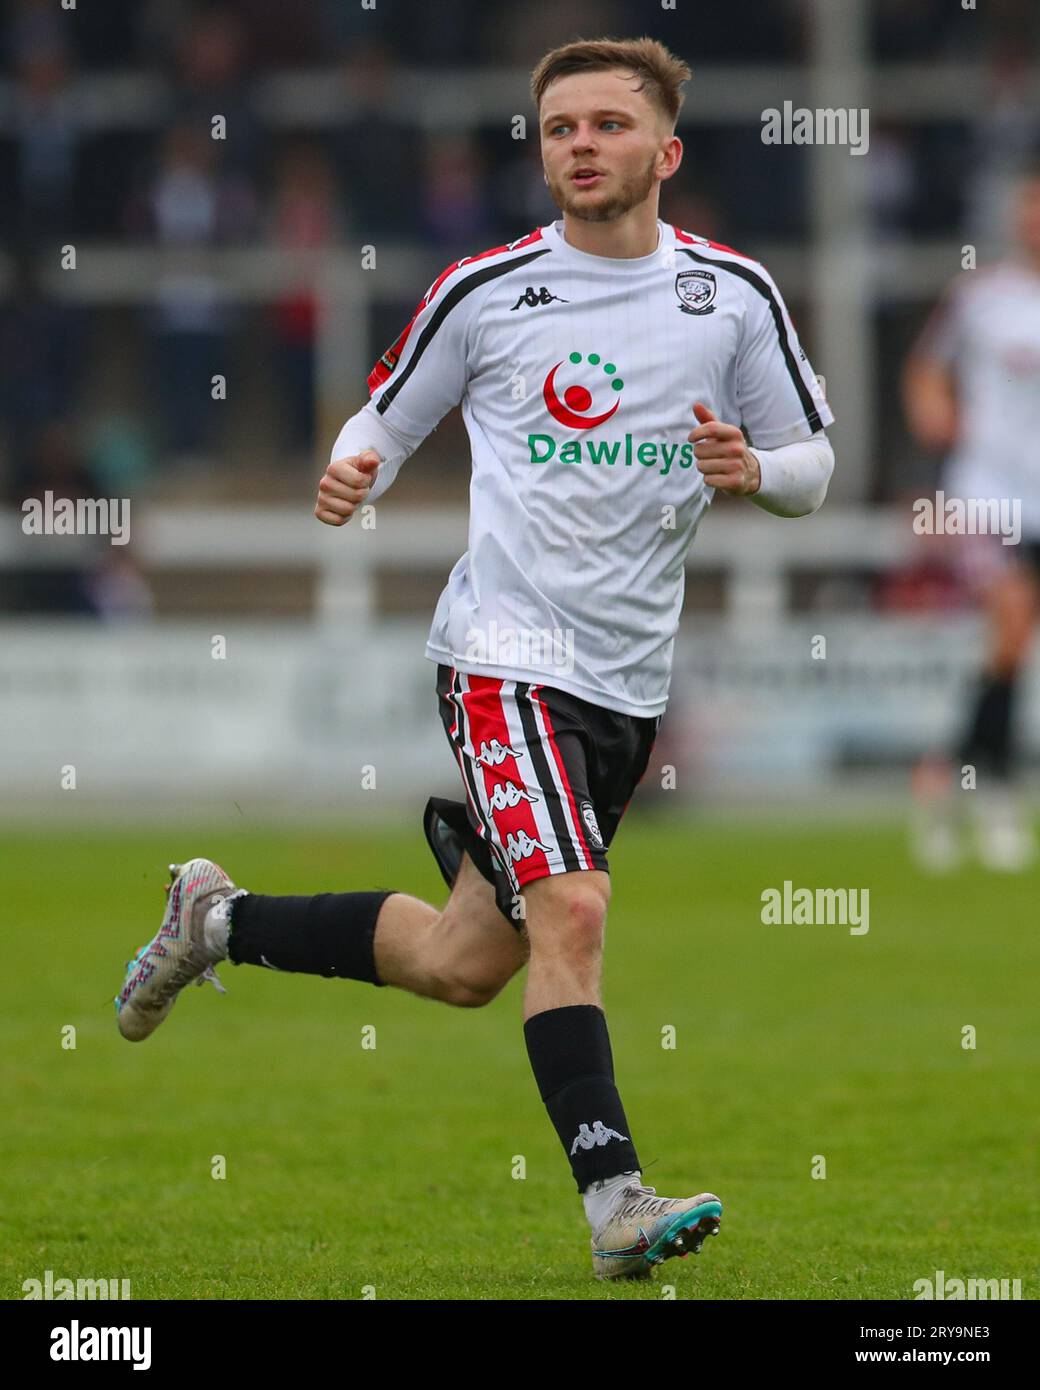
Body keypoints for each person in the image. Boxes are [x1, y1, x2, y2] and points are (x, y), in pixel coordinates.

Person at [114, 36, 835, 1282]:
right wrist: (355, 470)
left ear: (663, 152)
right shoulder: (489, 289)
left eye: (607, 126)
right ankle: (614, 1201)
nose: (578, 146)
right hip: (501, 652)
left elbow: (810, 465)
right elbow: (386, 411)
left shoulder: (732, 295)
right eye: (558, 128)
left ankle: (214, 921)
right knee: (575, 907)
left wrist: (756, 473)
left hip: (624, 683)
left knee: (462, 964)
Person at [902, 159, 1040, 871]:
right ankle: (998, 792)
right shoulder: (984, 297)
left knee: (1009, 651)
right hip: (988, 495)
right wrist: (936, 413)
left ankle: (943, 773)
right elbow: (927, 366)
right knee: (1012, 623)